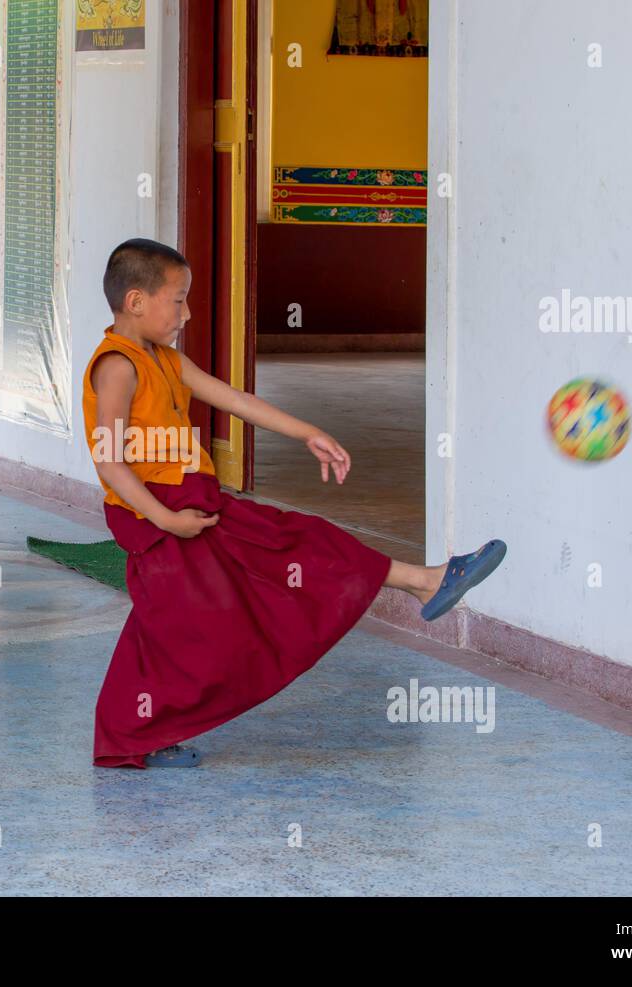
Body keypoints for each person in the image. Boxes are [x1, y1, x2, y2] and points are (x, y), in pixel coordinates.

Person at [82, 237, 505, 768]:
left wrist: (308, 432)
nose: (187, 313)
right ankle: (131, 737)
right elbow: (108, 460)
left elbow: (236, 400)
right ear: (137, 301)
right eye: (179, 299)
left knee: (297, 543)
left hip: (197, 506)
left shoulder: (164, 359)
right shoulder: (117, 367)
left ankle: (428, 579)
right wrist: (167, 519)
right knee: (174, 632)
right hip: (160, 516)